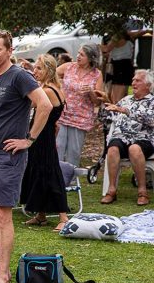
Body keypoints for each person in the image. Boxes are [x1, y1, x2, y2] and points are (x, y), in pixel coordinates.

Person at [0, 30, 53, 283]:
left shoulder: (19, 75)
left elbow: (45, 105)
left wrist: (28, 139)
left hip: (10, 154)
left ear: (9, 51)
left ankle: (4, 276)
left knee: (2, 214)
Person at [20, 54, 70, 232]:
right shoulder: (53, 87)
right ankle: (41, 215)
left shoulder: (48, 90)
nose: (35, 72)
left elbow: (29, 103)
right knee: (38, 172)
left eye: (39, 68)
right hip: (44, 134)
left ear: (49, 70)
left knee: (50, 173)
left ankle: (63, 217)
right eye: (35, 68)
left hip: (43, 136)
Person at [100, 69, 154, 206]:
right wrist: (105, 105)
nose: (133, 82)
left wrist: (126, 111)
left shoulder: (152, 102)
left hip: (144, 139)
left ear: (148, 85)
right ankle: (111, 190)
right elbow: (110, 117)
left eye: (138, 80)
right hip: (122, 137)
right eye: (133, 80)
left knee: (134, 149)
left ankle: (142, 191)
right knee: (112, 148)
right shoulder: (126, 100)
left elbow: (151, 120)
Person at [55, 44, 103, 166]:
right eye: (78, 53)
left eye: (82, 54)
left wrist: (91, 92)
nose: (78, 56)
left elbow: (98, 101)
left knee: (74, 151)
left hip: (81, 118)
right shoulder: (68, 67)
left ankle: (70, 180)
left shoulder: (97, 74)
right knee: (57, 147)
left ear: (91, 57)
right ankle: (55, 179)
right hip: (62, 114)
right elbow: (50, 75)